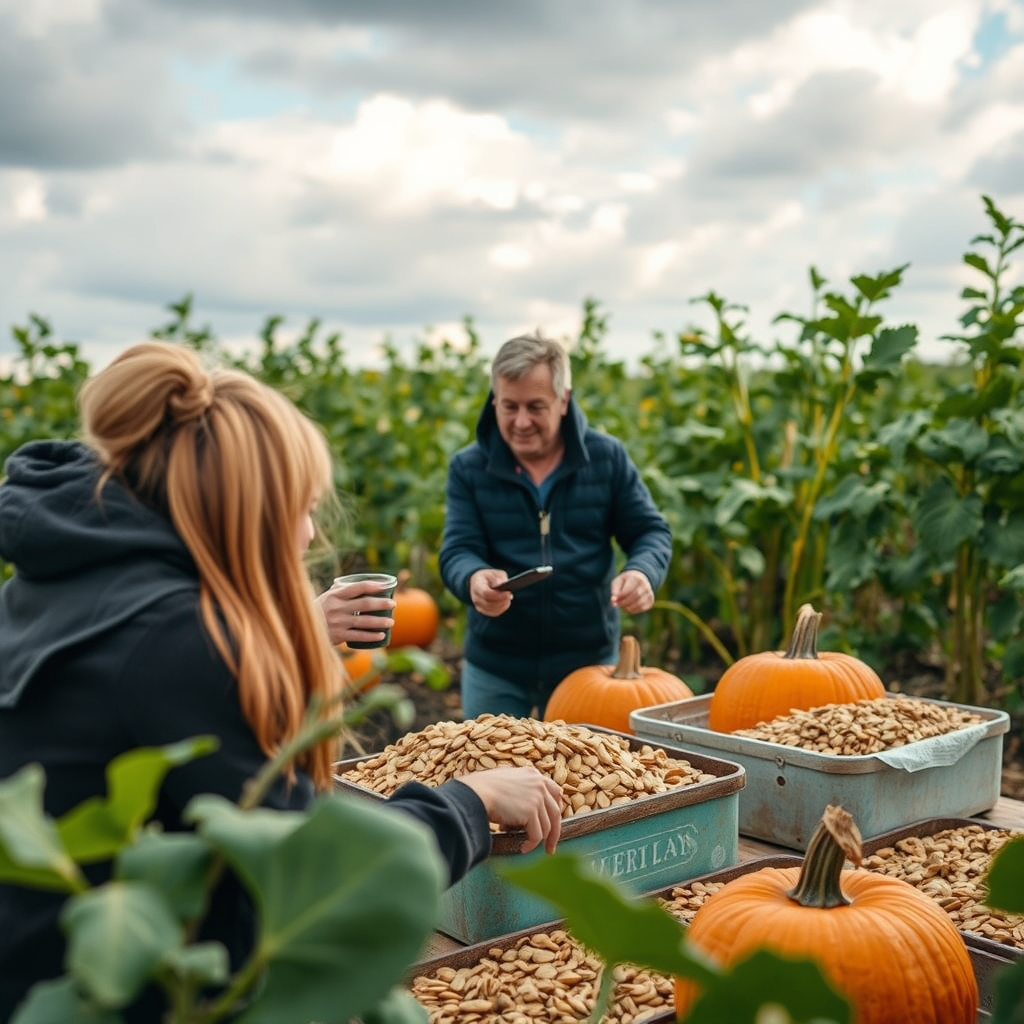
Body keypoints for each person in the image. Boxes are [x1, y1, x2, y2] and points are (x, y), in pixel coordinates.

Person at [0, 342, 562, 1023]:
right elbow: (311, 876)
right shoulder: (178, 640)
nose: (306, 536)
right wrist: (469, 801)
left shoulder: (59, 582)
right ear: (241, 511)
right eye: (299, 509)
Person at [439, 330, 673, 720]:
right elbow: (457, 549)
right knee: (487, 775)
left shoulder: (606, 458)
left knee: (586, 780)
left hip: (587, 667)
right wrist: (474, 577)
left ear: (563, 400)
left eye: (536, 406)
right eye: (509, 407)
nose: (521, 421)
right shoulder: (469, 467)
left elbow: (650, 531)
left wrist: (643, 572)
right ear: (494, 400)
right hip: (496, 663)